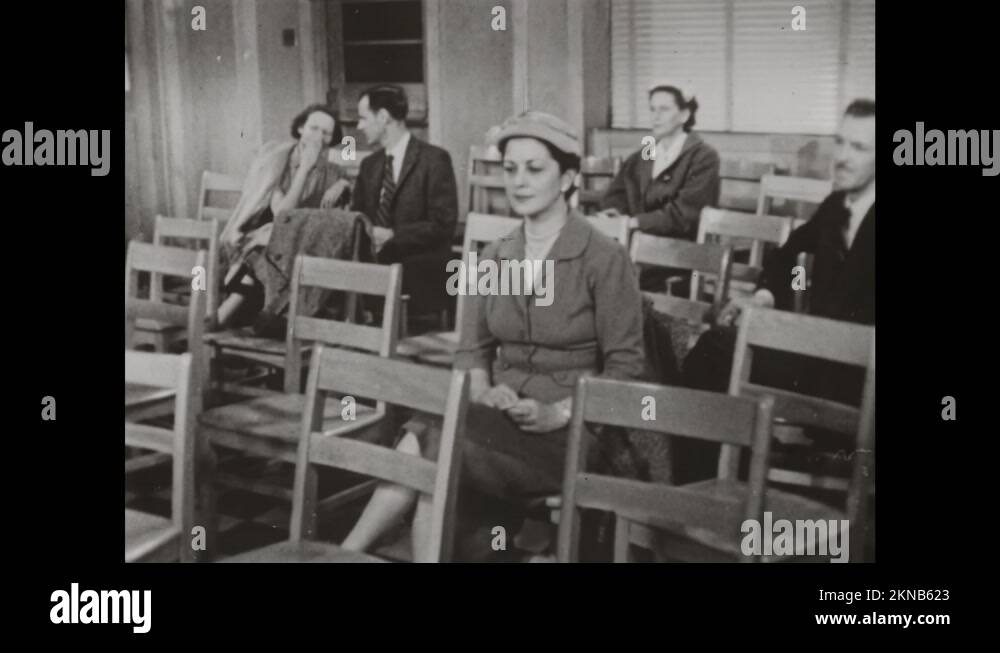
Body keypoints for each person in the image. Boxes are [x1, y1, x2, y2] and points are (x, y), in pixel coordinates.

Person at [340, 111, 646, 561]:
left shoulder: (603, 257)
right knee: (437, 438)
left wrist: (559, 413)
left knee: (435, 440)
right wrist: (484, 391)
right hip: (494, 421)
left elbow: (627, 368)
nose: (519, 181)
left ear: (566, 178)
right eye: (510, 169)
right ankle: (349, 554)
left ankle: (344, 553)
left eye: (534, 169)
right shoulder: (492, 256)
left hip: (576, 433)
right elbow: (472, 352)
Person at [680, 99, 876, 480]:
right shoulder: (839, 205)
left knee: (718, 353)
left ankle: (727, 476)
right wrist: (764, 296)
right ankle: (711, 486)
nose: (843, 157)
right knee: (715, 350)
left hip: (860, 372)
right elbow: (792, 256)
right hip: (819, 356)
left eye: (860, 148)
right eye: (841, 143)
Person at [217, 104, 351, 327]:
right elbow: (283, 215)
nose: (318, 136)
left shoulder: (333, 172)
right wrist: (305, 168)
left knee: (278, 248)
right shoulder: (277, 160)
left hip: (296, 244)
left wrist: (343, 183)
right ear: (300, 129)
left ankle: (223, 315)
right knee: (270, 245)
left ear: (332, 139)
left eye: (326, 133)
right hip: (259, 234)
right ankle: (239, 314)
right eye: (313, 128)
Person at [350, 85, 458, 317]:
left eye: (363, 118)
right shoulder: (369, 165)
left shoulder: (434, 159)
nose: (359, 126)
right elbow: (356, 214)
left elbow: (442, 224)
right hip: (376, 259)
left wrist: (392, 235)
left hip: (417, 261)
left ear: (383, 117)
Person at [599, 85, 720, 290]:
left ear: (684, 115)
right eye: (652, 109)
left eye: (664, 110)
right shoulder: (646, 153)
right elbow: (618, 192)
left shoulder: (703, 156)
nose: (655, 117)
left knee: (610, 275)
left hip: (678, 250)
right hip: (637, 243)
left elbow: (685, 215)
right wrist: (614, 212)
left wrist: (635, 222)